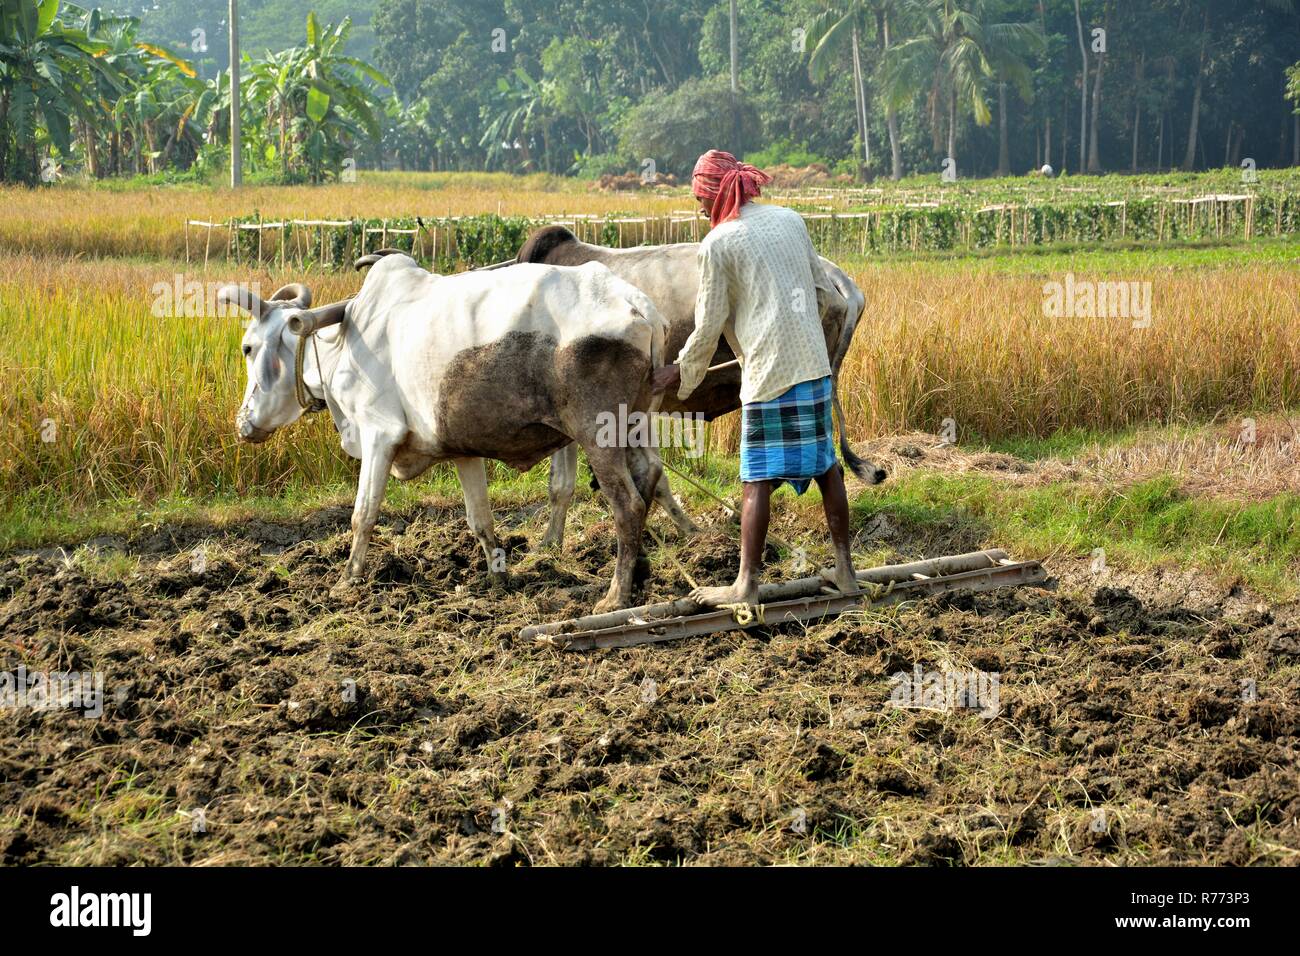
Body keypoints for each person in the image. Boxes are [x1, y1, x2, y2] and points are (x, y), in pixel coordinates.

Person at [652, 149, 857, 608]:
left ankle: (746, 583)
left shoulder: (719, 244)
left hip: (768, 374)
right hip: (813, 366)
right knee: (826, 467)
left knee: (756, 478)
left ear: (714, 193)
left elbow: (707, 326)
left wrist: (678, 373)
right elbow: (826, 295)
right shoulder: (790, 219)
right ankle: (845, 571)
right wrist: (804, 333)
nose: (700, 208)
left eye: (700, 199)